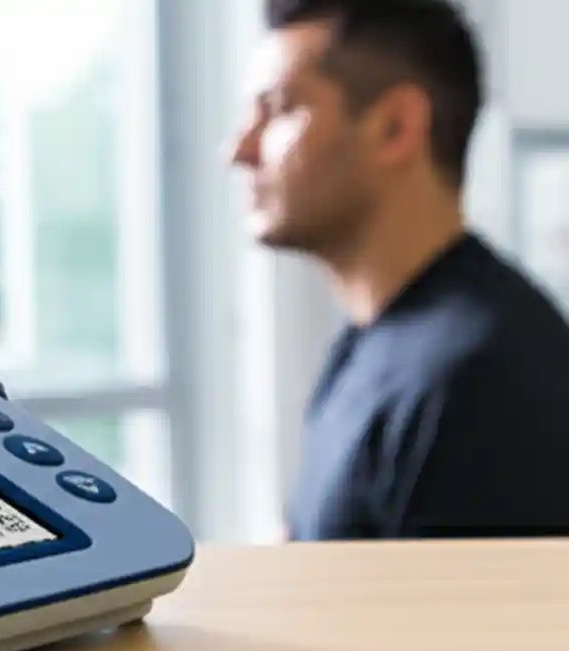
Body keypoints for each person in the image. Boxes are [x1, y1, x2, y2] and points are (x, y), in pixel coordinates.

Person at [229, 0, 569, 539]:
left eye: (279, 109)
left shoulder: (481, 379)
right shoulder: (369, 347)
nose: (240, 150)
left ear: (396, 127)